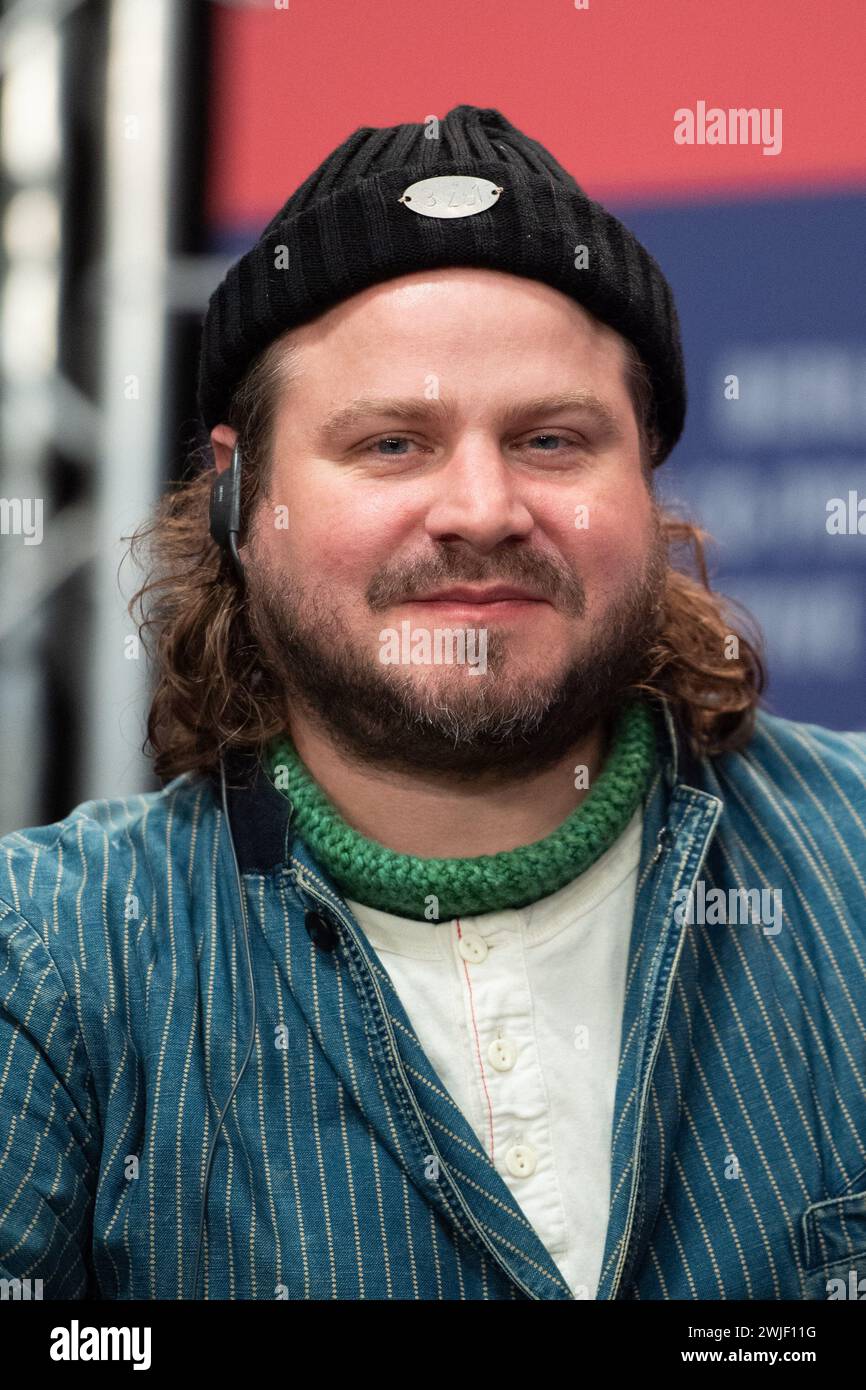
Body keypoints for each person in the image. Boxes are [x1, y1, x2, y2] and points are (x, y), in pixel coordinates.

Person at [1, 105, 864, 1302]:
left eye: (552, 440)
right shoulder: (52, 959)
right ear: (237, 501)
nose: (479, 507)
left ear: (645, 487)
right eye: (392, 444)